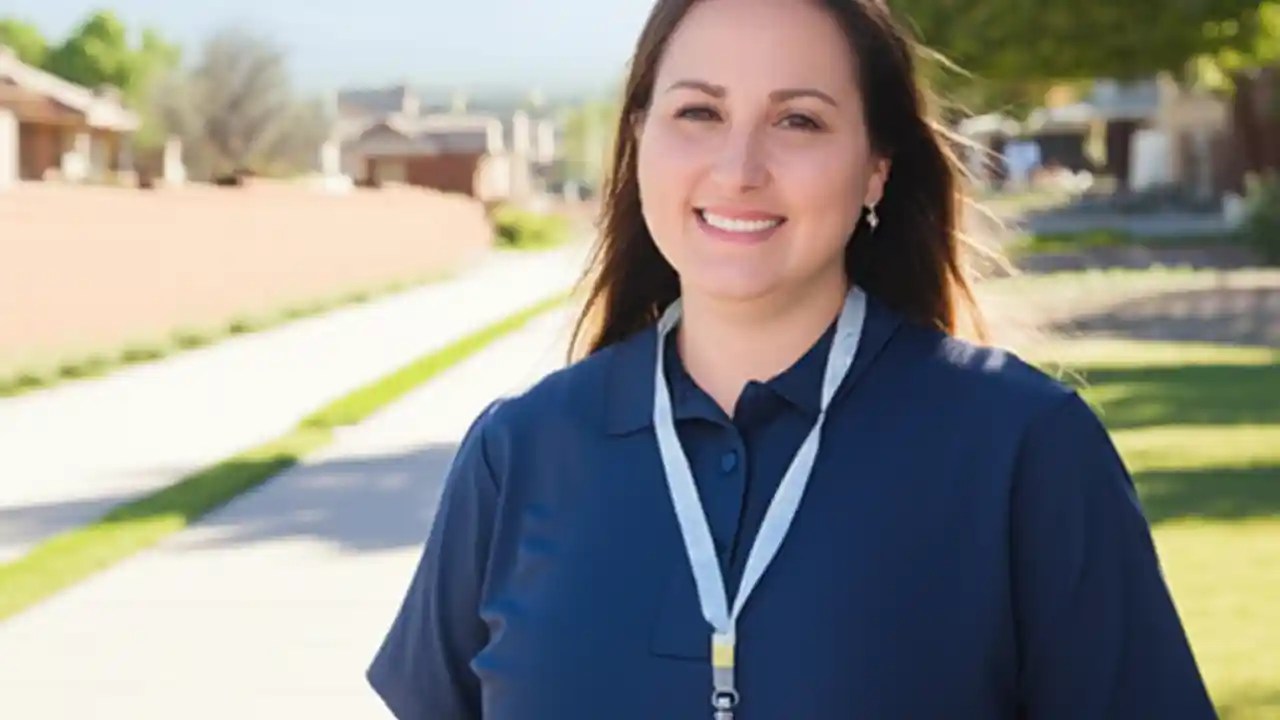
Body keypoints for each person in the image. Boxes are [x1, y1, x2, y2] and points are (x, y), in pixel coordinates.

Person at [366, 0, 1217, 717]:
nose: (739, 169)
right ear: (640, 141)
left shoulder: (1026, 449)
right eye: (698, 112)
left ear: (877, 168)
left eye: (798, 120)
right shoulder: (518, 453)